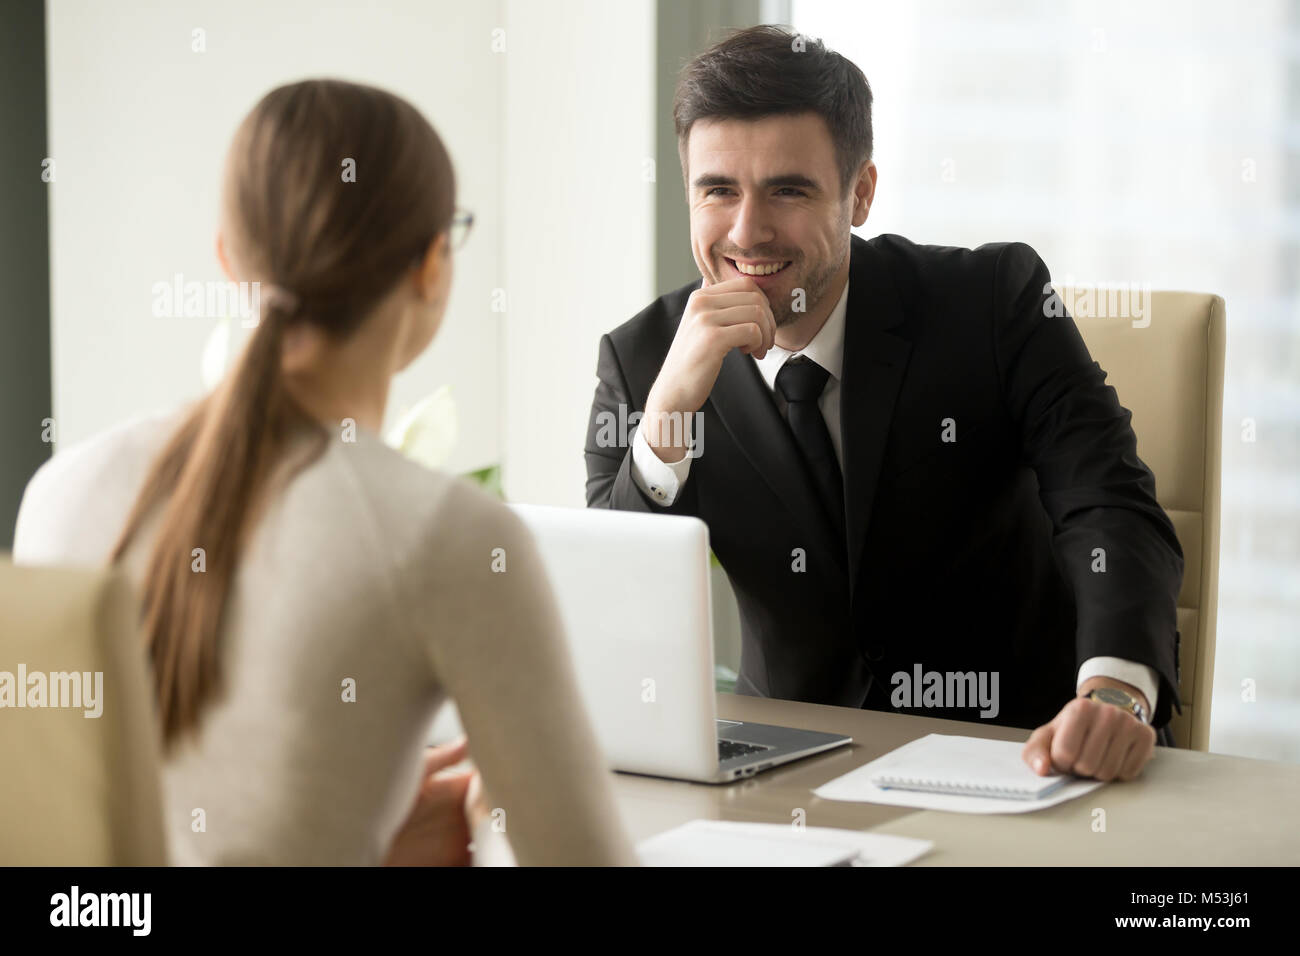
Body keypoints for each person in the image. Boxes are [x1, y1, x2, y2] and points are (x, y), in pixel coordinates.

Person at [14, 78, 636, 865]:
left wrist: (361, 834)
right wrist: (494, 819)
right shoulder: (451, 535)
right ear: (432, 266)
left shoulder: (61, 489)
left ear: (227, 260)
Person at [585, 26, 1183, 783]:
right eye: (718, 190)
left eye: (788, 189)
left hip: (1025, 755)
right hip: (786, 771)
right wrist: (670, 413)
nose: (747, 230)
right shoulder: (643, 362)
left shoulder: (995, 303)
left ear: (861, 192)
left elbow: (1109, 502)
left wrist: (1116, 693)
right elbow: (609, 604)